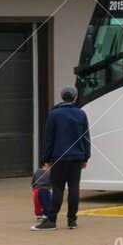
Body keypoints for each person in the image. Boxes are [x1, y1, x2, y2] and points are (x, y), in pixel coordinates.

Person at [34, 86, 90, 230]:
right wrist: (86, 157)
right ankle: (72, 221)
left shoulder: (53, 114)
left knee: (58, 188)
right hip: (77, 157)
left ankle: (51, 220)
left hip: (58, 157)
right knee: (74, 187)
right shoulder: (81, 114)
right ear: (75, 97)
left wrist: (45, 159)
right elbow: (86, 137)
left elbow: (48, 139)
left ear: (62, 96)